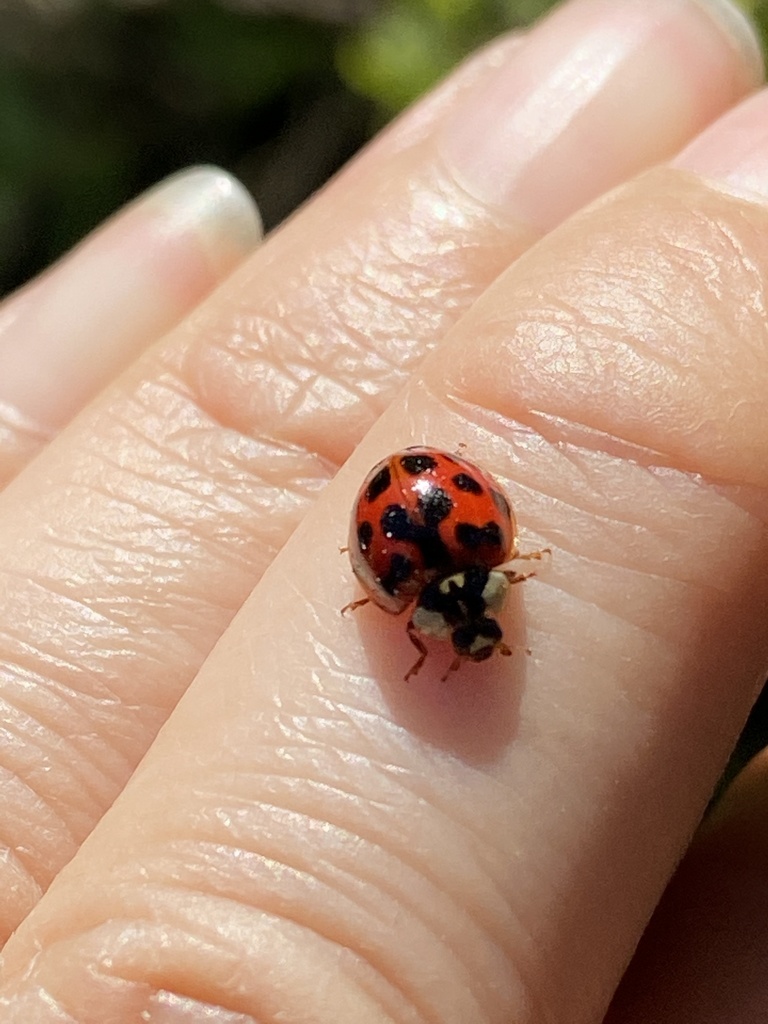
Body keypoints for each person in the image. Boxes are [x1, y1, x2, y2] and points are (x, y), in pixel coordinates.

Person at [0, 0, 765, 1019]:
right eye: (473, 629)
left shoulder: (434, 577)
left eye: (469, 631)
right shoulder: (463, 562)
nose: (476, 638)